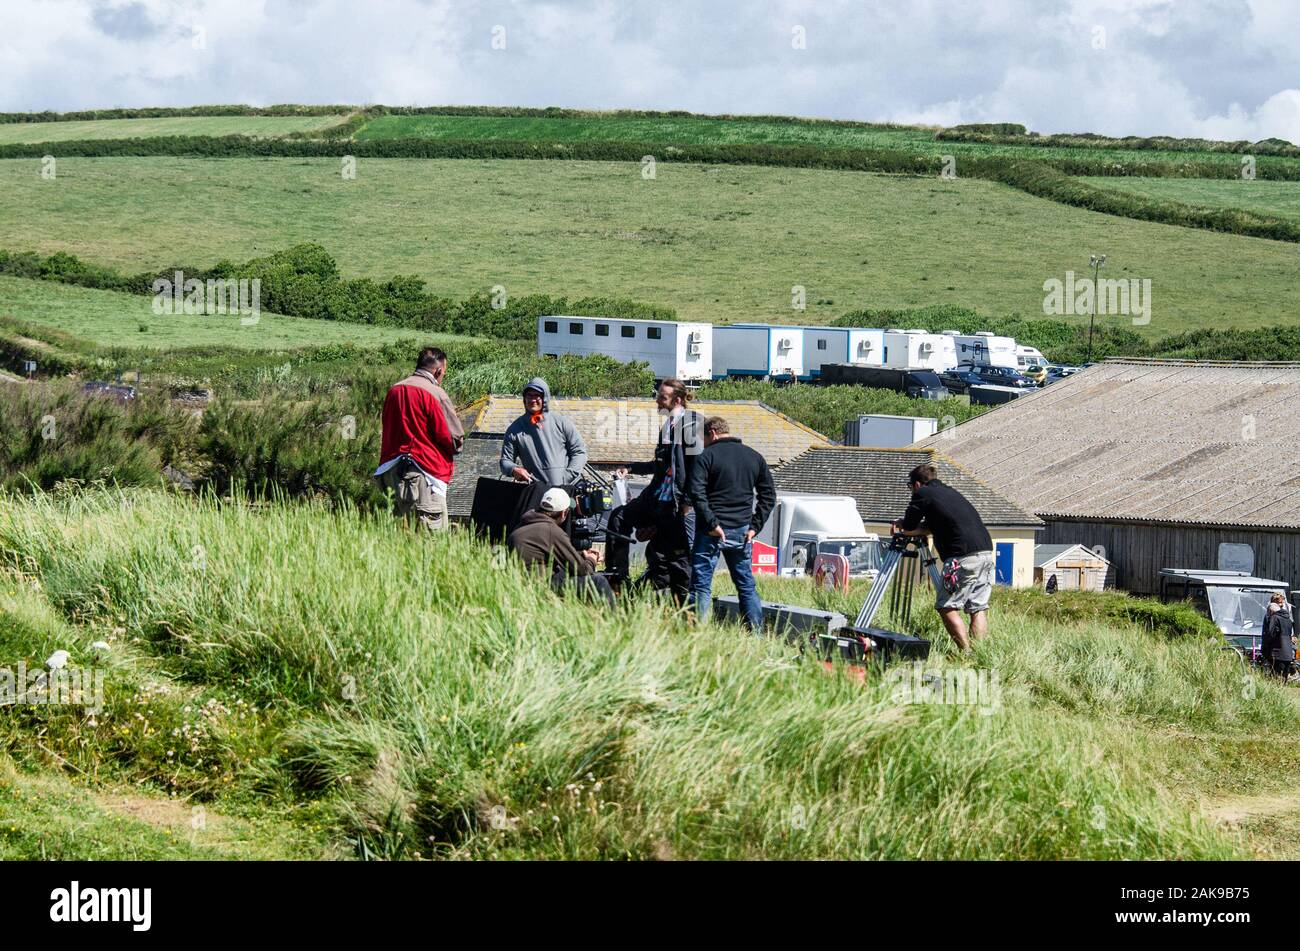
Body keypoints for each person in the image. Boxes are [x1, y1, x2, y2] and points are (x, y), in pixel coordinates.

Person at [606, 379, 705, 604]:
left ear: (677, 400)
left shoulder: (692, 423)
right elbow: (660, 465)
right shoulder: (668, 426)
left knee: (673, 556)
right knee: (620, 517)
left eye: (662, 396)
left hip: (677, 502)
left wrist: (688, 503)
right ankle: (617, 578)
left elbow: (698, 467)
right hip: (657, 497)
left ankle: (684, 603)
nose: (657, 400)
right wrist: (631, 467)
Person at [686, 416, 776, 631]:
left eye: (704, 438)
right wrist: (755, 526)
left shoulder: (706, 457)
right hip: (743, 531)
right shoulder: (754, 457)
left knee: (701, 587)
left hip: (711, 532)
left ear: (713, 433)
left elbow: (696, 494)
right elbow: (769, 496)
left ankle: (698, 636)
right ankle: (756, 635)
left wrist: (712, 523)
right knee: (746, 585)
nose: (703, 443)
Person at [893, 463, 995, 652]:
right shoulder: (950, 493)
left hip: (961, 557)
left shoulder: (922, 494)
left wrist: (902, 525)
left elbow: (909, 525)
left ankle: (965, 652)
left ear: (916, 484)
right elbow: (933, 525)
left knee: (946, 606)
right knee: (977, 608)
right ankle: (980, 654)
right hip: (986, 553)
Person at [374, 347, 464, 532]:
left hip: (390, 473)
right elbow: (454, 439)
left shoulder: (394, 390)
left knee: (399, 539)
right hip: (424, 474)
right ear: (438, 370)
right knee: (431, 541)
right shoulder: (435, 393)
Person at [507, 487, 614, 605]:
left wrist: (580, 556)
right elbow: (583, 570)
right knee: (598, 581)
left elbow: (544, 555)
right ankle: (615, 620)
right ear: (564, 513)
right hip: (542, 587)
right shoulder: (552, 531)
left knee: (565, 571)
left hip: (521, 585)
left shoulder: (520, 527)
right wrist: (591, 560)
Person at [499, 378, 589, 487]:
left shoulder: (561, 422)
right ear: (524, 399)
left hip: (567, 490)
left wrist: (566, 477)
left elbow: (579, 451)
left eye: (537, 395)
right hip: (536, 492)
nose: (533, 400)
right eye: (529, 396)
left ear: (545, 398)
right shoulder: (515, 429)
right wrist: (514, 469)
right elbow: (505, 461)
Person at [1263, 594, 1295, 679]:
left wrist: (1266, 646)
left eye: (1281, 602)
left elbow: (1270, 634)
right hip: (1288, 653)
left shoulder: (1274, 617)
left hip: (1276, 652)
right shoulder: (1288, 618)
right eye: (1279, 602)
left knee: (1275, 676)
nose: (1280, 605)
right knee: (1283, 678)